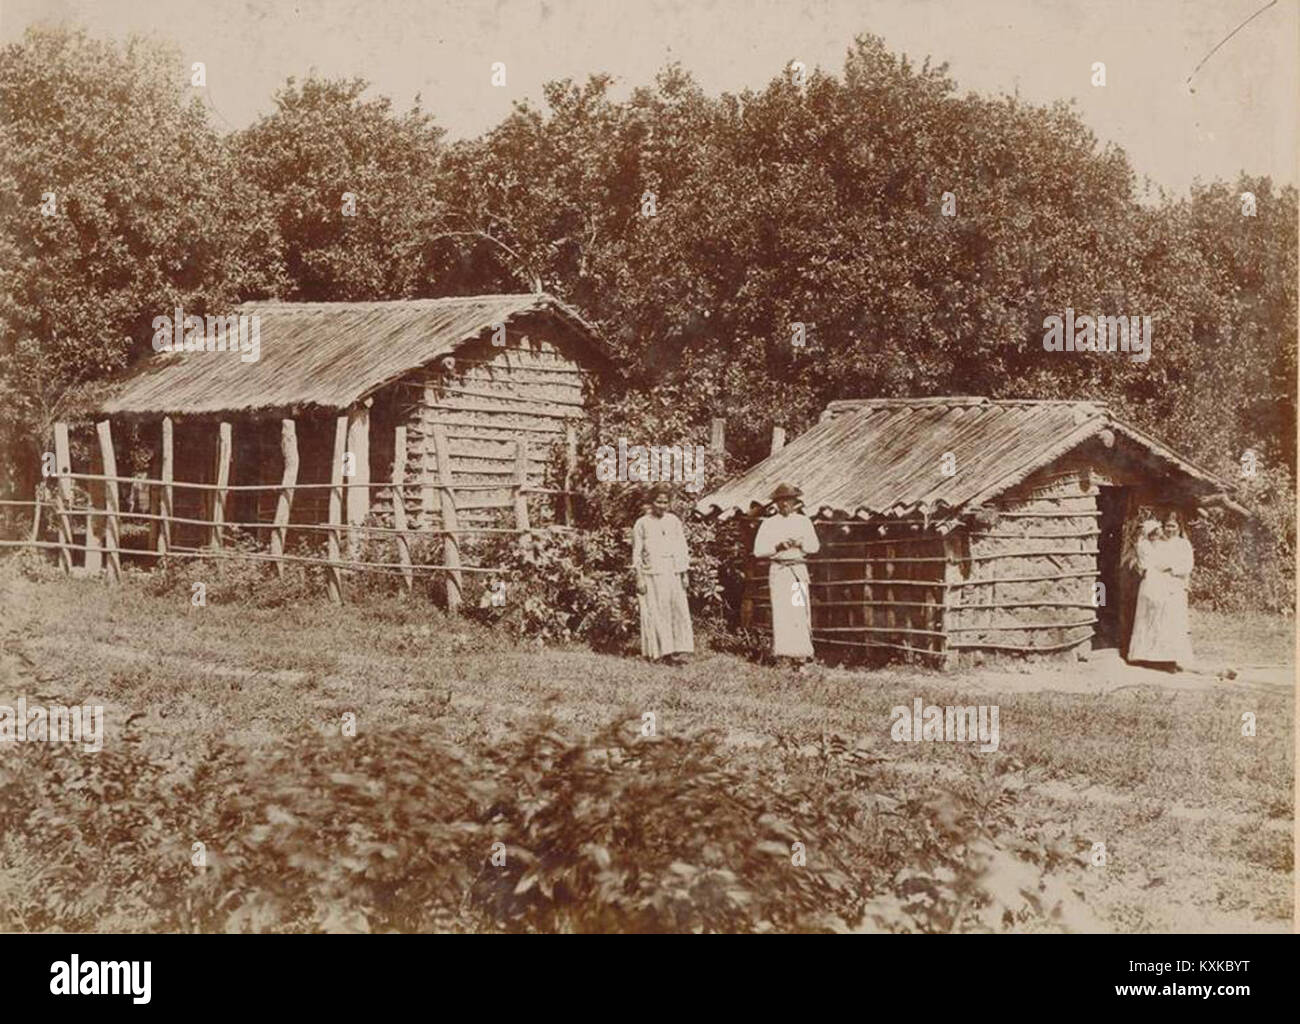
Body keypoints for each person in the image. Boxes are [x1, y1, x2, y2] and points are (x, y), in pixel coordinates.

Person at [752, 482, 820, 668]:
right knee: (782, 613)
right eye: (780, 501)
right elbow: (758, 551)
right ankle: (783, 656)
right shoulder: (769, 524)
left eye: (788, 500)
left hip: (797, 570)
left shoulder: (803, 522)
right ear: (776, 503)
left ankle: (801, 658)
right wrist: (777, 546)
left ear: (795, 501)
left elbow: (814, 547)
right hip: (779, 571)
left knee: (799, 612)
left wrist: (800, 543)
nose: (784, 505)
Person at [632, 484, 694, 664]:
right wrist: (639, 577)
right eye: (658, 502)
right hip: (652, 572)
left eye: (665, 502)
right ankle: (657, 652)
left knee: (675, 611)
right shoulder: (642, 523)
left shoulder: (673, 521)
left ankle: (672, 651)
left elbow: (681, 547)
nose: (662, 506)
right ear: (651, 502)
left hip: (672, 571)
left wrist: (684, 574)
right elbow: (637, 552)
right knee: (656, 612)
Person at [1127, 513, 1195, 670]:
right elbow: (1148, 562)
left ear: (1179, 527)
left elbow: (1188, 565)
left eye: (1173, 526)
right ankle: (1150, 657)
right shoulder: (1158, 544)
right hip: (1158, 585)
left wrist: (1172, 568)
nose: (1169, 529)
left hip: (1175, 585)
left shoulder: (1183, 544)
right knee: (1156, 621)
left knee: (1173, 623)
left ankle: (1172, 658)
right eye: (1167, 526)